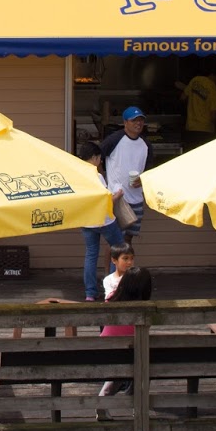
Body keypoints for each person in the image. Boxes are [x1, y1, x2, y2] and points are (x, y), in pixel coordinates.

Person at [76, 141, 127, 301]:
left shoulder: (76, 175)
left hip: (86, 220)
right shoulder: (96, 176)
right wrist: (117, 195)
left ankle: (90, 293)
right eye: (99, 158)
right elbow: (106, 200)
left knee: (91, 254)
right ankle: (112, 289)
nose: (100, 162)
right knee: (118, 250)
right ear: (93, 158)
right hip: (104, 221)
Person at [98, 266, 153, 401]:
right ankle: (135, 399)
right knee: (143, 364)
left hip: (104, 350)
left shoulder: (111, 298)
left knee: (124, 367)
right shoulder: (145, 308)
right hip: (131, 353)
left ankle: (103, 399)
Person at [99, 107, 150, 243]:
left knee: (129, 237)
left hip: (137, 197)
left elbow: (150, 170)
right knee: (115, 239)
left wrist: (143, 179)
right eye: (134, 120)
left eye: (141, 120)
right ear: (125, 122)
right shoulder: (115, 139)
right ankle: (110, 265)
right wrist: (102, 179)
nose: (138, 123)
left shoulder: (146, 144)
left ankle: (125, 264)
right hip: (118, 197)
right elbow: (96, 156)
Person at [178, 69, 216, 149]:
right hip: (205, 130)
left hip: (190, 127)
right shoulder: (215, 92)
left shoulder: (196, 80)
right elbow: (213, 117)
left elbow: (182, 98)